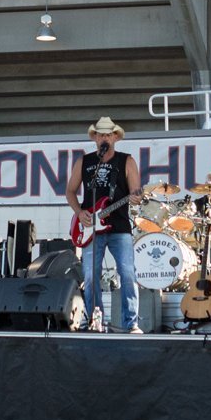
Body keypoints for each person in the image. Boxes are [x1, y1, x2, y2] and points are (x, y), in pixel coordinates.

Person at [65, 115, 141, 333]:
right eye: (100, 134)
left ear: (115, 137)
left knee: (127, 273)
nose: (104, 138)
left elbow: (136, 191)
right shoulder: (85, 161)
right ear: (95, 138)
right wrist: (80, 213)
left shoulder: (126, 160)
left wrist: (136, 196)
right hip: (90, 229)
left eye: (108, 134)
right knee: (90, 276)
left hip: (120, 228)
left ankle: (131, 323)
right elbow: (70, 191)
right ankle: (96, 321)